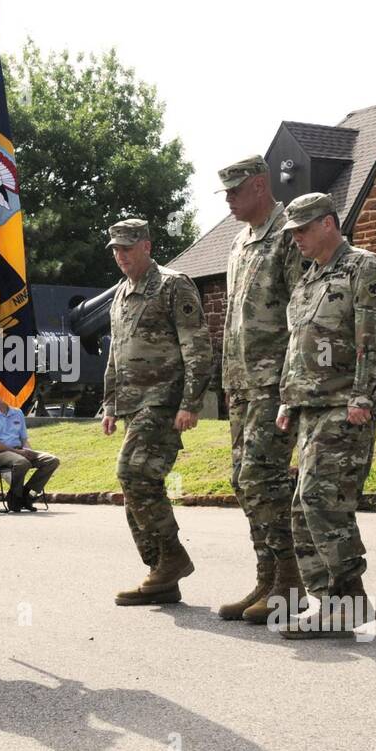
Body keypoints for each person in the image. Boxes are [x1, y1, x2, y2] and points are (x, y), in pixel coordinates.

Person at [275, 193, 376, 638]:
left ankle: (349, 600)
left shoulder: (364, 267)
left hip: (345, 405)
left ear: (329, 223)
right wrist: (288, 400)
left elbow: (375, 335)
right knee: (303, 505)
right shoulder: (309, 280)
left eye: (303, 230)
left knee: (323, 501)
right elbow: (298, 345)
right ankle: (329, 602)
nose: (297, 239)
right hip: (309, 407)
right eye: (292, 232)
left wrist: (364, 395)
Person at [214, 156, 310, 622]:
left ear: (259, 185)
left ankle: (291, 581)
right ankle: (268, 575)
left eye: (234, 192)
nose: (229, 201)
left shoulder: (287, 235)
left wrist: (292, 385)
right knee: (242, 480)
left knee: (263, 476)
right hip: (242, 382)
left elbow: (302, 313)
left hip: (274, 382)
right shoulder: (238, 243)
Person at [102, 218, 212, 607]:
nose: (121, 256)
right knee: (135, 482)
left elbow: (197, 346)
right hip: (133, 405)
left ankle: (172, 558)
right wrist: (110, 404)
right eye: (116, 249)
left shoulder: (172, 285)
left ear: (147, 247)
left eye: (128, 248)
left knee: (132, 472)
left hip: (163, 401)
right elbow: (116, 352)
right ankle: (160, 570)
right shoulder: (120, 292)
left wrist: (190, 402)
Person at [0, 387, 60, 511]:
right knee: (22, 463)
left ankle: (26, 495)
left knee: (52, 460)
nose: (7, 394)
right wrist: (17, 452)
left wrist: (28, 451)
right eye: (2, 392)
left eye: (8, 391)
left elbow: (24, 439)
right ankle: (15, 496)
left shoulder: (17, 412)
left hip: (19, 450)